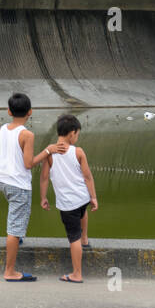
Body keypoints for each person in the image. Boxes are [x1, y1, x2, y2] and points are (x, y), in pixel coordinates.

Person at [0, 92, 63, 281]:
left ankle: (17, 238)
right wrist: (48, 150)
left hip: (1, 180)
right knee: (14, 228)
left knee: (15, 215)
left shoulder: (2, 129)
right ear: (30, 112)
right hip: (18, 184)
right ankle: (10, 271)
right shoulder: (27, 134)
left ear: (9, 111)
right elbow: (28, 163)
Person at [39, 113, 99, 283]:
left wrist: (43, 197)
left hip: (67, 204)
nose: (77, 137)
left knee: (74, 238)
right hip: (82, 197)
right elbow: (88, 177)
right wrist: (93, 197)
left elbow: (44, 178)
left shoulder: (50, 153)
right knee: (83, 213)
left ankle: (77, 274)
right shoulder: (78, 152)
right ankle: (85, 239)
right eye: (77, 134)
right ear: (72, 133)